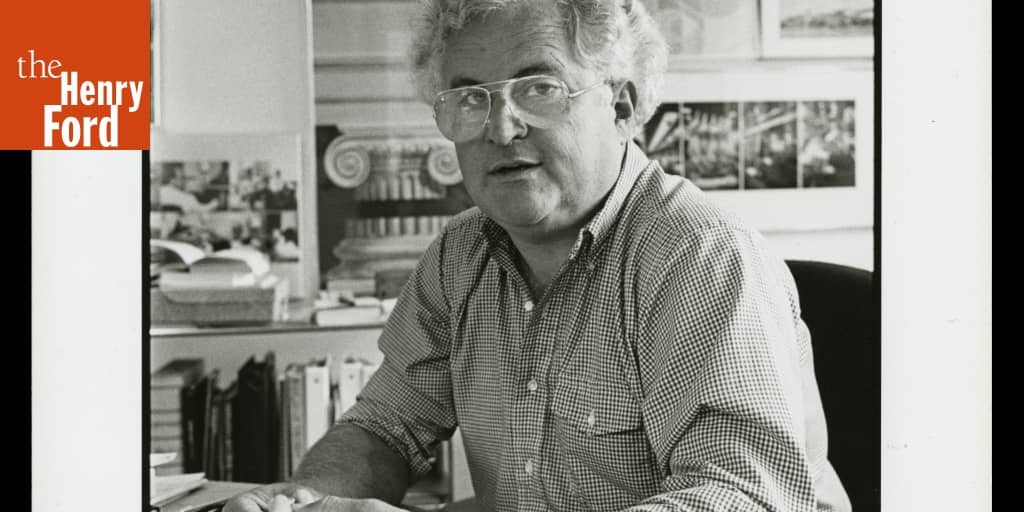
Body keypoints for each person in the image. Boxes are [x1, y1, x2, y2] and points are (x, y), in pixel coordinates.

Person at [225, 0, 852, 510]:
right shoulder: (458, 256)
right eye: (470, 98)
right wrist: (306, 501)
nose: (500, 128)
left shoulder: (701, 255)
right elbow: (384, 428)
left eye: (539, 88)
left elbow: (738, 497)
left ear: (623, 105)